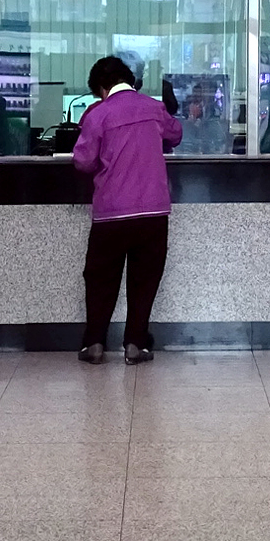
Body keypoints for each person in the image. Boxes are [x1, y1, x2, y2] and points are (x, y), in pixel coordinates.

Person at [73, 55, 182, 365]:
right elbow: (175, 134)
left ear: (102, 87)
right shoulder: (153, 108)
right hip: (153, 211)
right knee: (144, 279)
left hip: (111, 213)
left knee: (100, 279)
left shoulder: (98, 114)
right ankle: (135, 344)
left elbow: (82, 161)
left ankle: (94, 342)